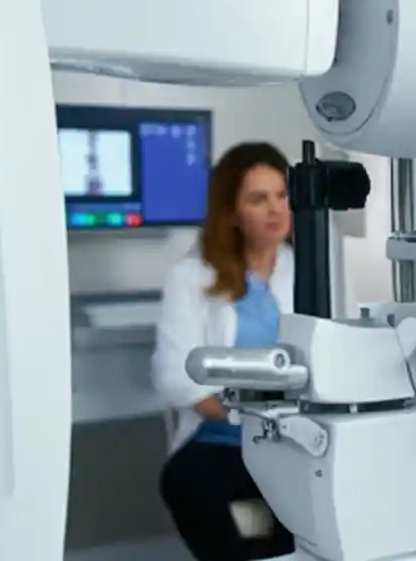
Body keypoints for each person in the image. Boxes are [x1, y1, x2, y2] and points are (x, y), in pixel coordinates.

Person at [152, 141, 297, 561]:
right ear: (232, 213)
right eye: (258, 199)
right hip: (219, 443)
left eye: (282, 195)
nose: (275, 209)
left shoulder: (305, 268)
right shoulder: (191, 277)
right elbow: (175, 377)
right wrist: (246, 414)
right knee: (192, 485)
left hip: (293, 443)